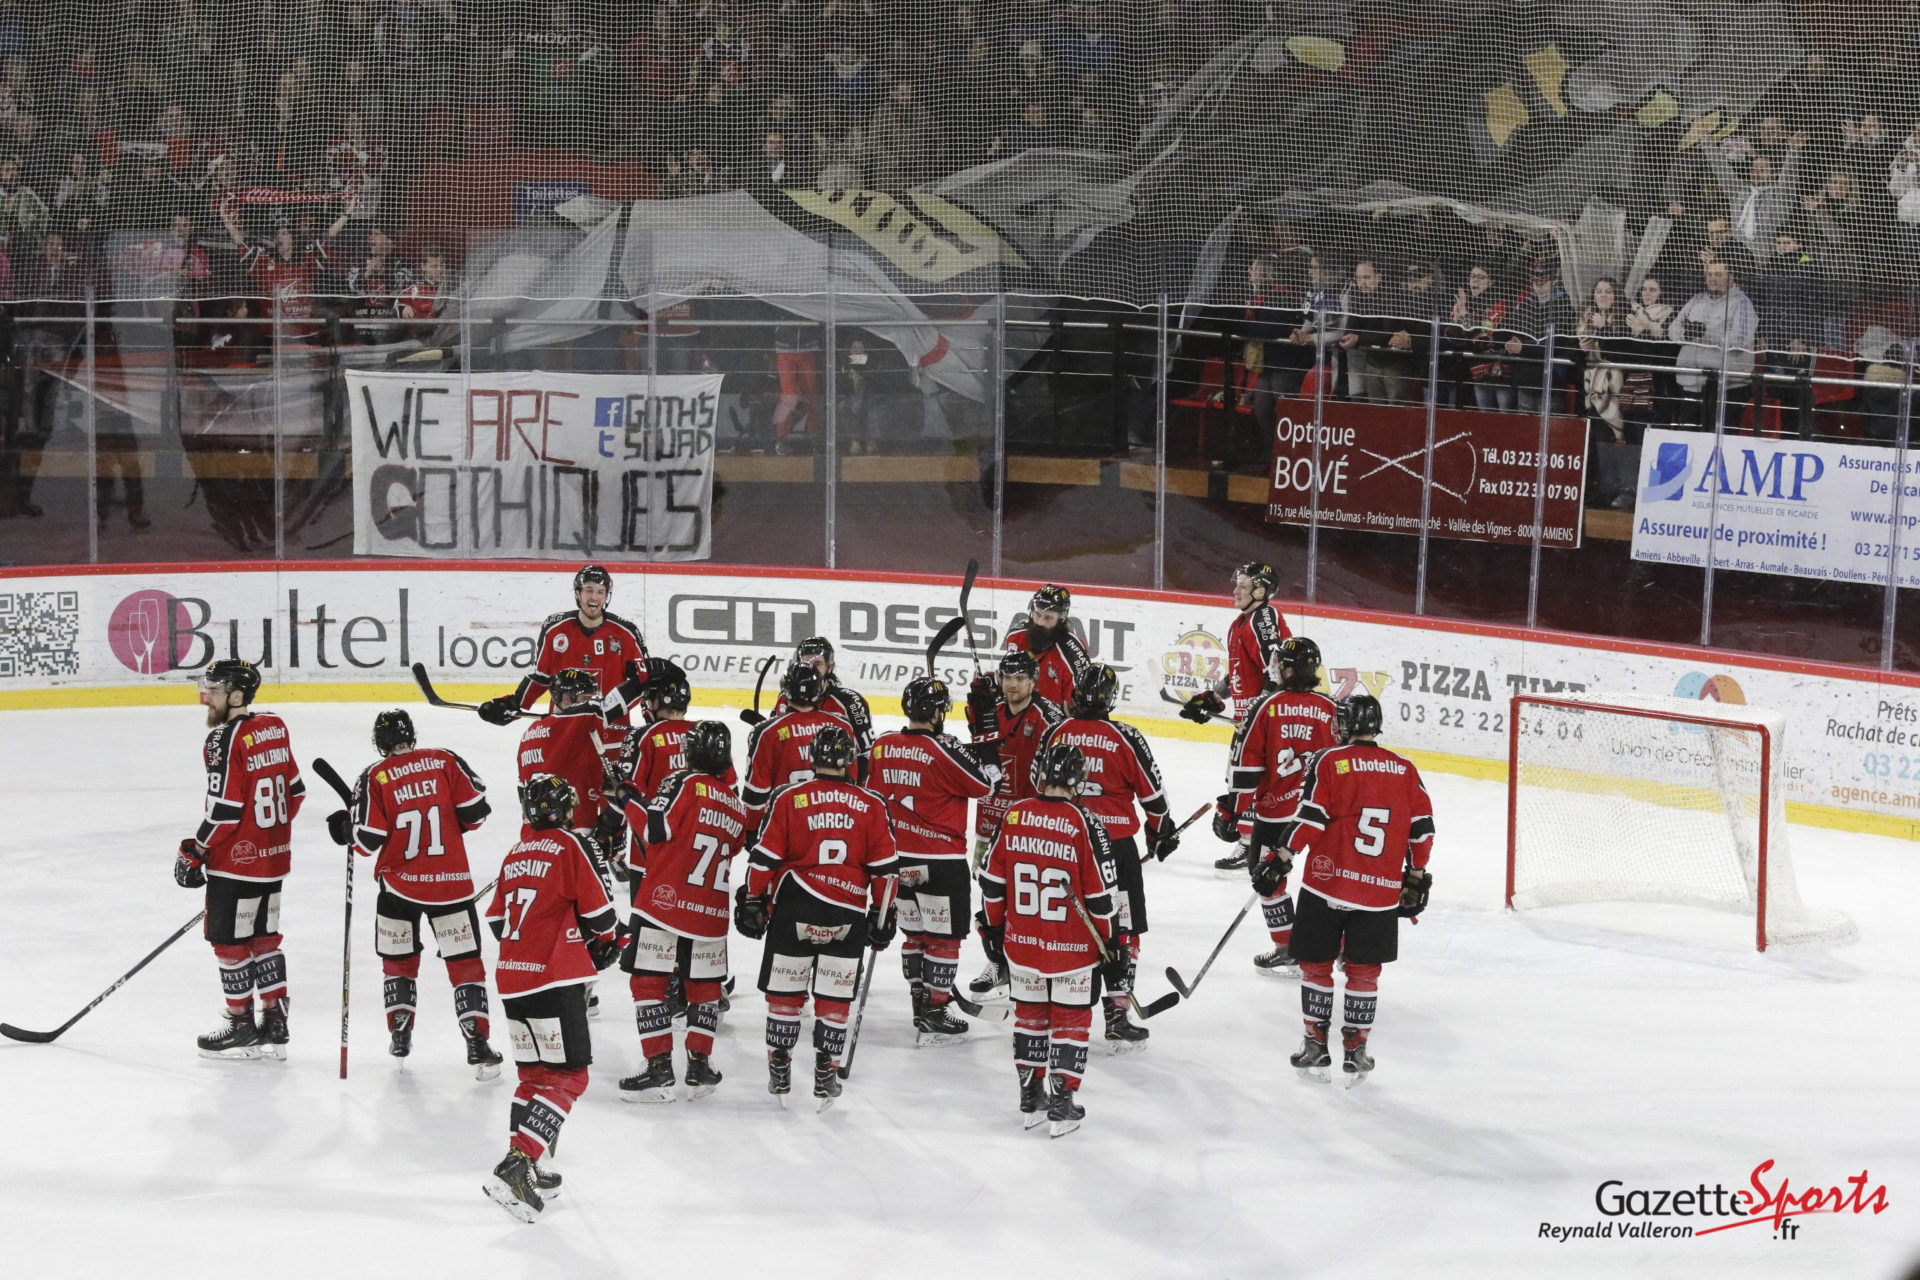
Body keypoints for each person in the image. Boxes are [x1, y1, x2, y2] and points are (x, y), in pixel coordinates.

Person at [1254, 693, 1434, 1085]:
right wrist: (1416, 875)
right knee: (1364, 973)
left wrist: (1281, 856)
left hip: (1327, 884)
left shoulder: (1330, 760)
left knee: (1316, 965)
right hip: (1380, 893)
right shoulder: (1404, 768)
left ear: (1344, 725)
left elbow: (1311, 819)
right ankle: (1357, 1050)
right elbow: (1422, 831)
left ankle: (1315, 1046)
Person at [328, 709, 502, 1074]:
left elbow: (366, 842)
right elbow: (477, 814)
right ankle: (477, 1042)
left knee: (399, 965)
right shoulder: (444, 760)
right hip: (451, 885)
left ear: (379, 742)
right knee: (465, 967)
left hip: (398, 888)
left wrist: (346, 829)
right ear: (413, 736)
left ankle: (400, 1032)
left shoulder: (375, 775)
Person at [736, 725, 900, 1109]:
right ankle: (827, 1069)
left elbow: (763, 861)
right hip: (847, 914)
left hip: (795, 909)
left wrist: (753, 898)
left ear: (813, 759)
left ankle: (780, 1064)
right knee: (834, 999)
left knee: (785, 995)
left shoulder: (789, 798)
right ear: (849, 762)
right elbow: (886, 872)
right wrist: (882, 915)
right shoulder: (872, 803)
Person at [481, 775, 621, 1222]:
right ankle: (516, 1164)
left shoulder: (516, 853)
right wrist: (604, 939)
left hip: (512, 980)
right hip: (554, 980)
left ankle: (529, 1158)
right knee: (569, 1078)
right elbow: (602, 915)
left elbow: (499, 923)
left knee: (533, 1077)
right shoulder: (568, 845)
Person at [978, 742, 1126, 1137]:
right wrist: (1114, 944)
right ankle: (1062, 1099)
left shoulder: (1014, 814)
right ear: (1078, 780)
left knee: (1030, 1018)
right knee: (1071, 1021)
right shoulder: (1086, 823)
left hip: (1022, 944)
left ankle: (1031, 1095)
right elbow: (1100, 897)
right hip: (1074, 951)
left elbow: (991, 883)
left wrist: (992, 930)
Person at [174, 659, 305, 1060]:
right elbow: (296, 792)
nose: (205, 698)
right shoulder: (274, 727)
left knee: (229, 943)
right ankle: (275, 1020)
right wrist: (267, 838)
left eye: (213, 691)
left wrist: (195, 851)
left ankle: (241, 1025)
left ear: (235, 696)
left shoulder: (222, 739)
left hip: (235, 862)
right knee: (265, 939)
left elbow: (225, 811)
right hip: (273, 861)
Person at [1040, 664, 1176, 1050]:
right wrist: (1160, 831)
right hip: (1115, 849)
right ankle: (1117, 1013)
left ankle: (1061, 1007)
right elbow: (1154, 798)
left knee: (1071, 924)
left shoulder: (1056, 733)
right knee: (1122, 928)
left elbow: (1038, 785)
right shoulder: (1126, 737)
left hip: (1064, 843)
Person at [612, 721, 748, 1102]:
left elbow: (655, 829)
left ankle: (658, 1067)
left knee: (648, 984)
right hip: (710, 914)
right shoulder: (735, 805)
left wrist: (626, 798)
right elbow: (733, 847)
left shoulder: (682, 783)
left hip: (663, 905)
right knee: (704, 989)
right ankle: (700, 1065)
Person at [867, 676, 999, 1044]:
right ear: (939, 712)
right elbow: (987, 783)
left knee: (915, 934)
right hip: (940, 861)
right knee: (943, 940)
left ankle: (919, 1002)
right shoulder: (944, 748)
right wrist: (985, 735)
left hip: (896, 861)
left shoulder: (882, 747)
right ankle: (936, 1010)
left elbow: (872, 800)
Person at [1217, 638, 1338, 973]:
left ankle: (1287, 946)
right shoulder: (1331, 709)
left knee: (1264, 872)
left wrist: (1233, 809)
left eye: (1280, 662)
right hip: (1321, 814)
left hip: (1276, 812)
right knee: (1328, 878)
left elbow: (1247, 765)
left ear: (1288, 668)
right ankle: (1339, 949)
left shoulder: (1266, 705)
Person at [963, 649, 1067, 998]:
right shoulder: (990, 711)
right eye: (1007, 677)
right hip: (990, 821)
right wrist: (976, 721)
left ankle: (1031, 964)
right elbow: (976, 755)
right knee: (990, 894)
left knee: (1027, 898)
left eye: (1020, 678)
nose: (1012, 685)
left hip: (1029, 828)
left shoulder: (1049, 718)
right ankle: (997, 963)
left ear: (1034, 682)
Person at [480, 565, 649, 726]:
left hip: (610, 733)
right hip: (563, 733)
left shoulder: (626, 633)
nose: (594, 597)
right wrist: (512, 704)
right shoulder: (555, 629)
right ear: (578, 593)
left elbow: (643, 682)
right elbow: (541, 676)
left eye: (600, 592)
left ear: (607, 596)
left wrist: (650, 718)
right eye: (589, 590)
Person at [1181, 560, 1291, 731]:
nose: (1235, 591)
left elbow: (1278, 673)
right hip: (1248, 724)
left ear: (1260, 592)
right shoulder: (1238, 624)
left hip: (1267, 727)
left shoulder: (1262, 619)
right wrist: (1215, 697)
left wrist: (1259, 713)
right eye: (1237, 585)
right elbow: (1241, 673)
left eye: (1243, 587)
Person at [746, 636, 875, 780]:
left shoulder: (849, 702)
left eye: (817, 663)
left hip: (835, 792)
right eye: (805, 662)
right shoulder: (785, 698)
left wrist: (857, 794)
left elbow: (867, 755)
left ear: (830, 667)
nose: (810, 669)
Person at [741, 661, 855, 823]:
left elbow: (756, 794)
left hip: (784, 823)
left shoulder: (767, 732)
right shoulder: (842, 726)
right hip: (831, 822)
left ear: (786, 689)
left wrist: (753, 830)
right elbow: (852, 783)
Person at [1669, 261, 1758, 428]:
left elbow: (1741, 341)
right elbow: (1673, 328)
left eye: (1718, 274)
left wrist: (1706, 334)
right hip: (1691, 382)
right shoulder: (1696, 299)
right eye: (1710, 274)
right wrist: (1686, 334)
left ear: (1731, 278)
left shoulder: (1742, 303)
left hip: (1726, 386)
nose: (1712, 279)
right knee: (1688, 434)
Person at [1003, 583, 1093, 707]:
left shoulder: (1073, 653)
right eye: (1037, 614)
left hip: (1056, 724)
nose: (1039, 622)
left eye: (1048, 618)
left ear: (1061, 618)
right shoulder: (1016, 636)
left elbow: (1079, 707)